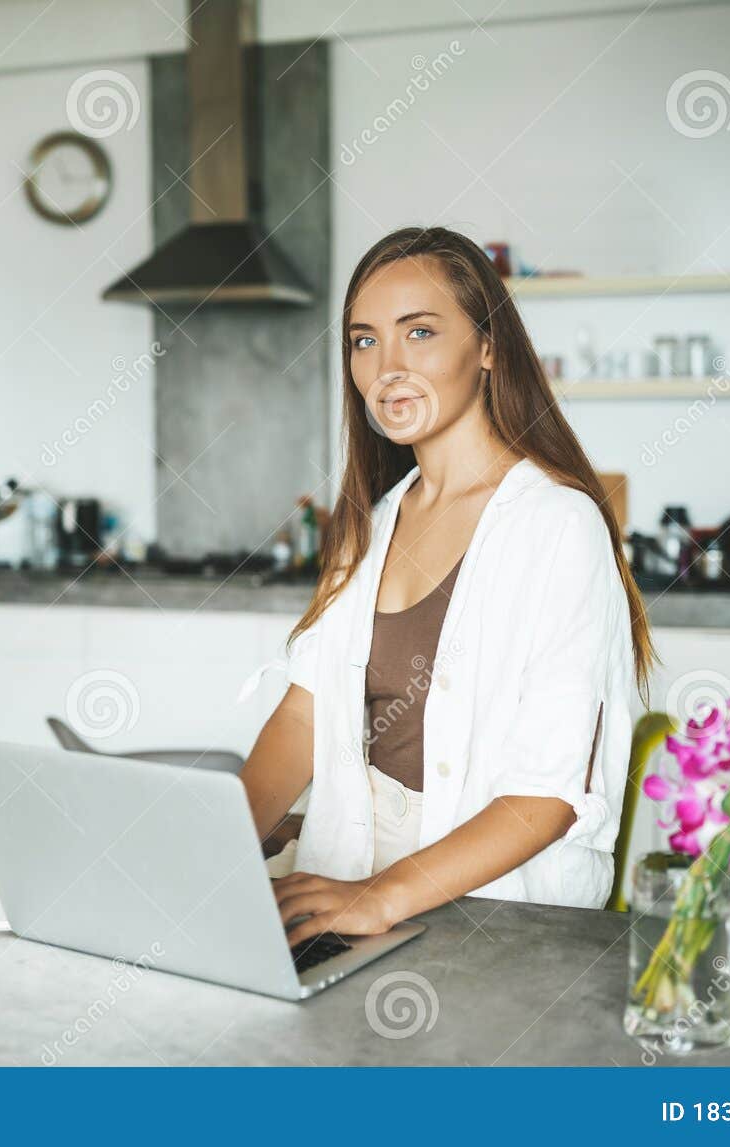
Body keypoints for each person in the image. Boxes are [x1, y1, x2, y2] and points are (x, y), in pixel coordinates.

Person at [240, 226, 653, 946]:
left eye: (420, 332)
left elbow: (545, 796)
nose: (388, 367)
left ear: (488, 346)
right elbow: (305, 716)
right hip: (347, 861)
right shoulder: (370, 523)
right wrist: (217, 846)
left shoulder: (559, 525)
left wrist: (379, 898)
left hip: (486, 898)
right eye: (364, 341)